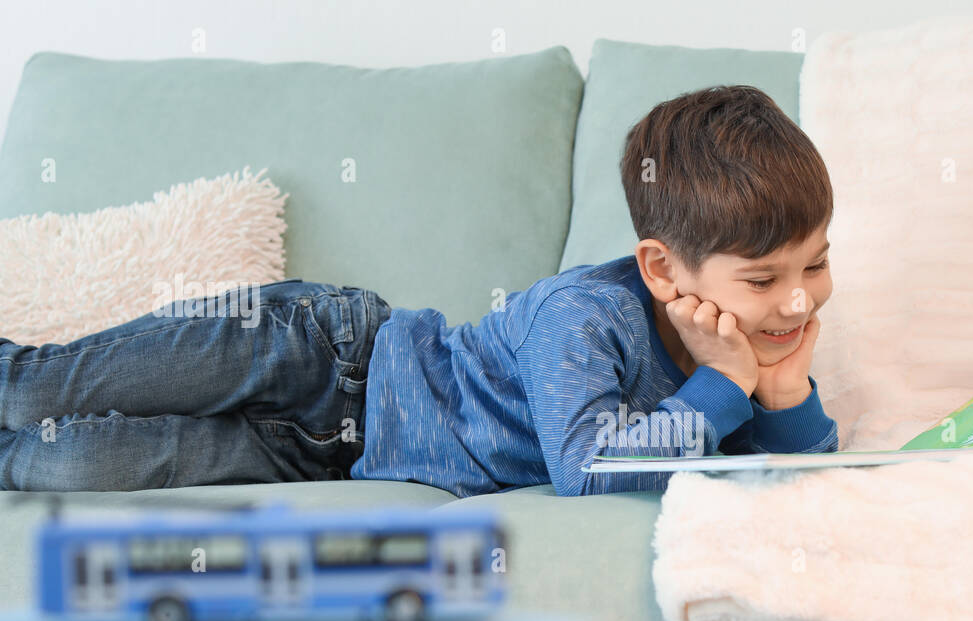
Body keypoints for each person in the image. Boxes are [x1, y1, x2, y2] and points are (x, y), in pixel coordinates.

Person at [0, 85, 837, 496]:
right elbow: (587, 466)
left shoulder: (733, 354)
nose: (798, 301)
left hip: (331, 458)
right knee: (41, 385)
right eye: (764, 278)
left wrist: (784, 389)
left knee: (74, 460)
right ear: (661, 269)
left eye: (816, 264)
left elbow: (802, 476)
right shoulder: (585, 314)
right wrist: (724, 388)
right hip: (324, 356)